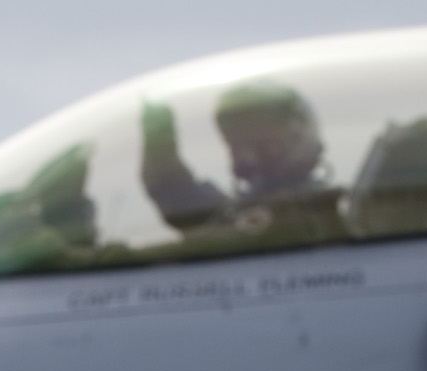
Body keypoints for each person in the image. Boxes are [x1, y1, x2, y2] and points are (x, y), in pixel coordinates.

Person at [139, 81, 347, 250]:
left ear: (299, 133)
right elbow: (172, 190)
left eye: (265, 137)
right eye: (238, 141)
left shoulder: (349, 213)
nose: (250, 151)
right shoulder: (227, 218)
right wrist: (159, 138)